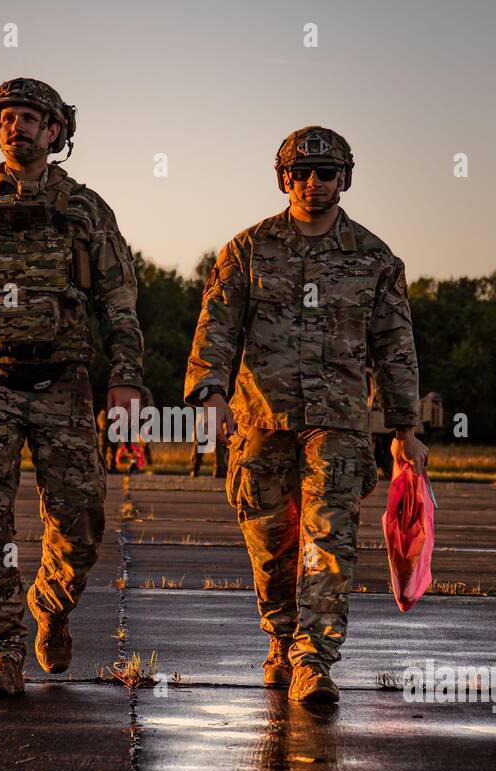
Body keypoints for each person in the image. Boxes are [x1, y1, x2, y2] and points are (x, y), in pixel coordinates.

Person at [0, 78, 144, 698]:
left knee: (82, 526)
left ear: (56, 130)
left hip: (64, 384)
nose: (17, 127)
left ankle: (51, 604)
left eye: (31, 118)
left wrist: (125, 379)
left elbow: (118, 301)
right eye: (6, 117)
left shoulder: (86, 210)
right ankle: (1, 653)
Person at [184, 126, 427, 704]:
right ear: (283, 178)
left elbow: (396, 345)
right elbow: (216, 325)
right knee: (271, 543)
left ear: (345, 179)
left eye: (325, 173)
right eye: (301, 173)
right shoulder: (247, 250)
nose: (312, 183)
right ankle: (281, 639)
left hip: (338, 424)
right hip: (260, 420)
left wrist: (405, 430)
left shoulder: (374, 258)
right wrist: (210, 393)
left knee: (329, 541)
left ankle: (314, 659)